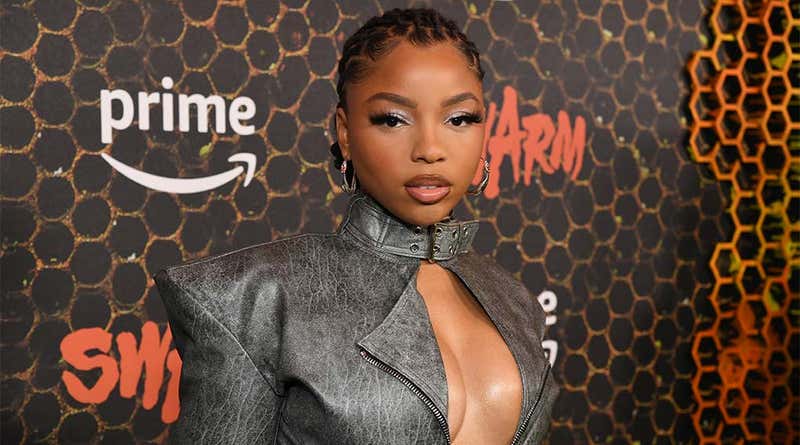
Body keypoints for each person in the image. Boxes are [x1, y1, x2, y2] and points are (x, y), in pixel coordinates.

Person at [153, 7, 558, 444]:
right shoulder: (254, 301)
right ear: (345, 133)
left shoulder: (514, 301)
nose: (429, 149)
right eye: (393, 119)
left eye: (459, 119)